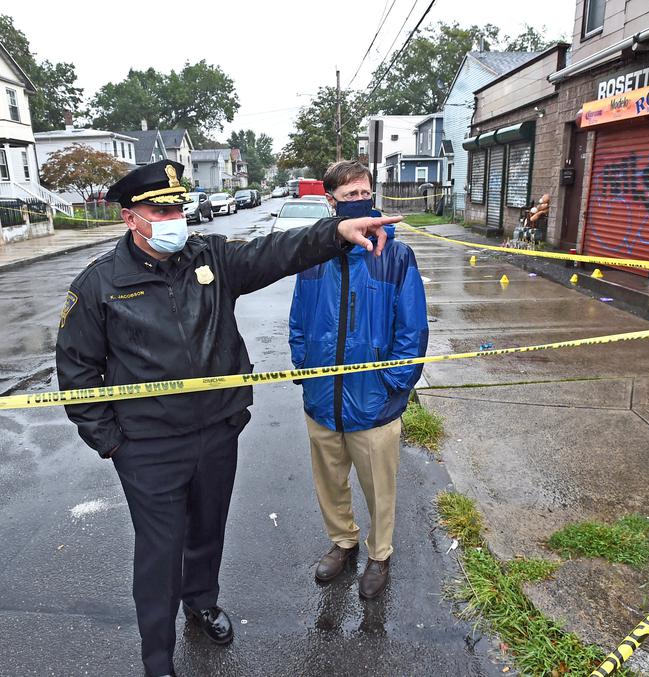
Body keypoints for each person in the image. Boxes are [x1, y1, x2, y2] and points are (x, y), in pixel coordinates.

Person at [55, 159, 399, 677]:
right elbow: (77, 371)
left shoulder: (210, 256)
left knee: (207, 531)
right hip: (147, 446)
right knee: (159, 552)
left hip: (216, 430)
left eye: (178, 205)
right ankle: (157, 659)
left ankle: (202, 604)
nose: (174, 216)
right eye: (160, 209)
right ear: (131, 218)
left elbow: (276, 251)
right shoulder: (99, 285)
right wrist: (113, 443)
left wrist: (335, 232)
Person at [288, 161, 429, 599]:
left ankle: (379, 553)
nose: (359, 201)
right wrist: (303, 365)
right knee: (329, 481)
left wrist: (394, 384)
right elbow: (298, 318)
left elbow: (413, 330)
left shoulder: (394, 255)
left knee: (378, 487)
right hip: (322, 399)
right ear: (330, 200)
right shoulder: (313, 256)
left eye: (363, 192)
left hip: (374, 402)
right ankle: (343, 542)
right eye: (348, 195)